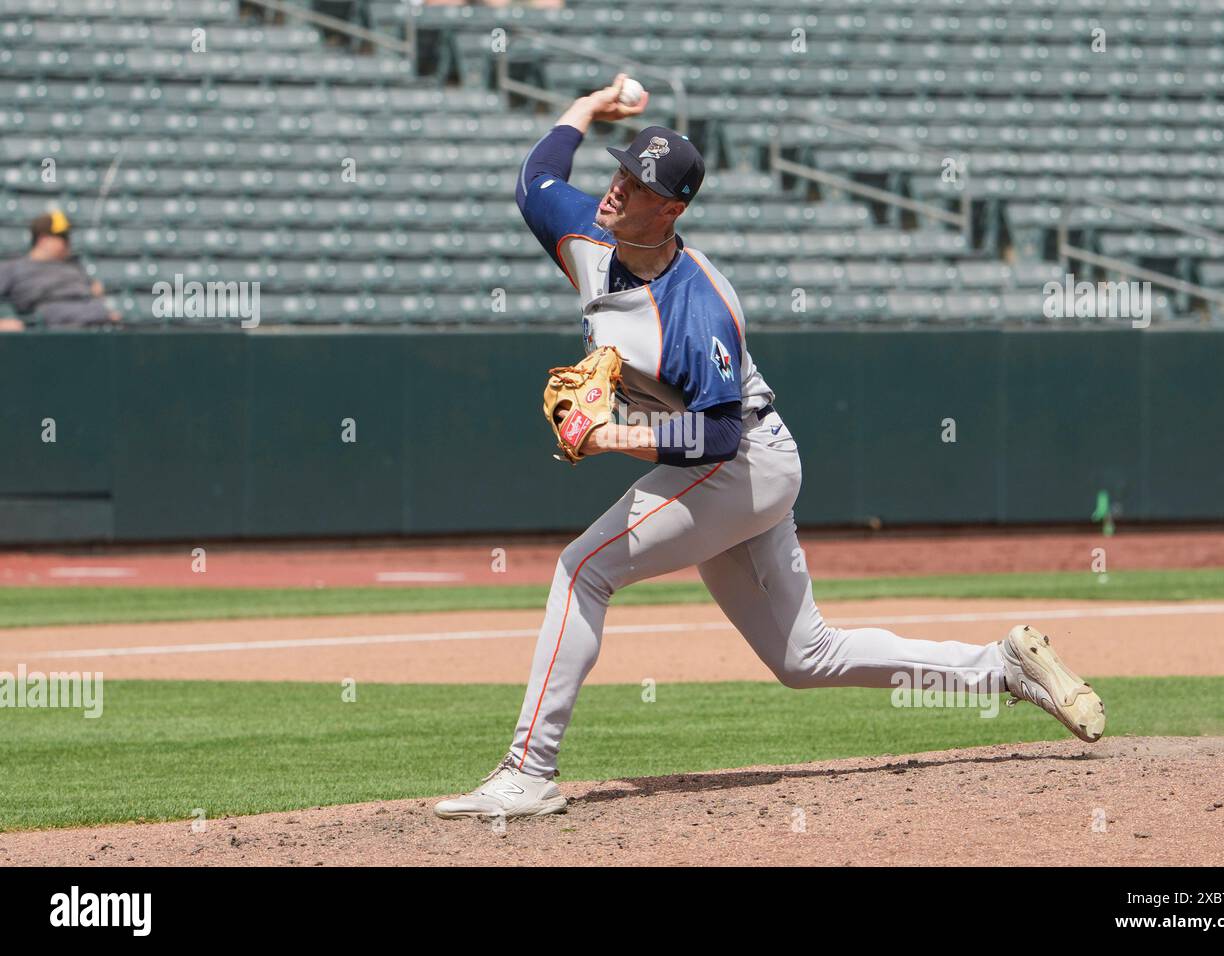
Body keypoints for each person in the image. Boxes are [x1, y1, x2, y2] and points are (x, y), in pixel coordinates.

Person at [434, 76, 1106, 820]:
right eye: (621, 169)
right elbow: (536, 177)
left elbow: (718, 437)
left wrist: (612, 435)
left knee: (583, 570)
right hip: (738, 465)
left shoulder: (696, 312)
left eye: (640, 183)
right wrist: (592, 108)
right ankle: (1001, 670)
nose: (617, 188)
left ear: (673, 209)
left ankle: (529, 769)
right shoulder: (587, 232)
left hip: (742, 462)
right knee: (804, 658)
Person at [0, 211, 121, 330]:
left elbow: (95, 293)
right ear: (43, 240)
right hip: (56, 325)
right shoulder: (14, 268)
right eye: (62, 237)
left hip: (96, 321)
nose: (68, 243)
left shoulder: (74, 265)